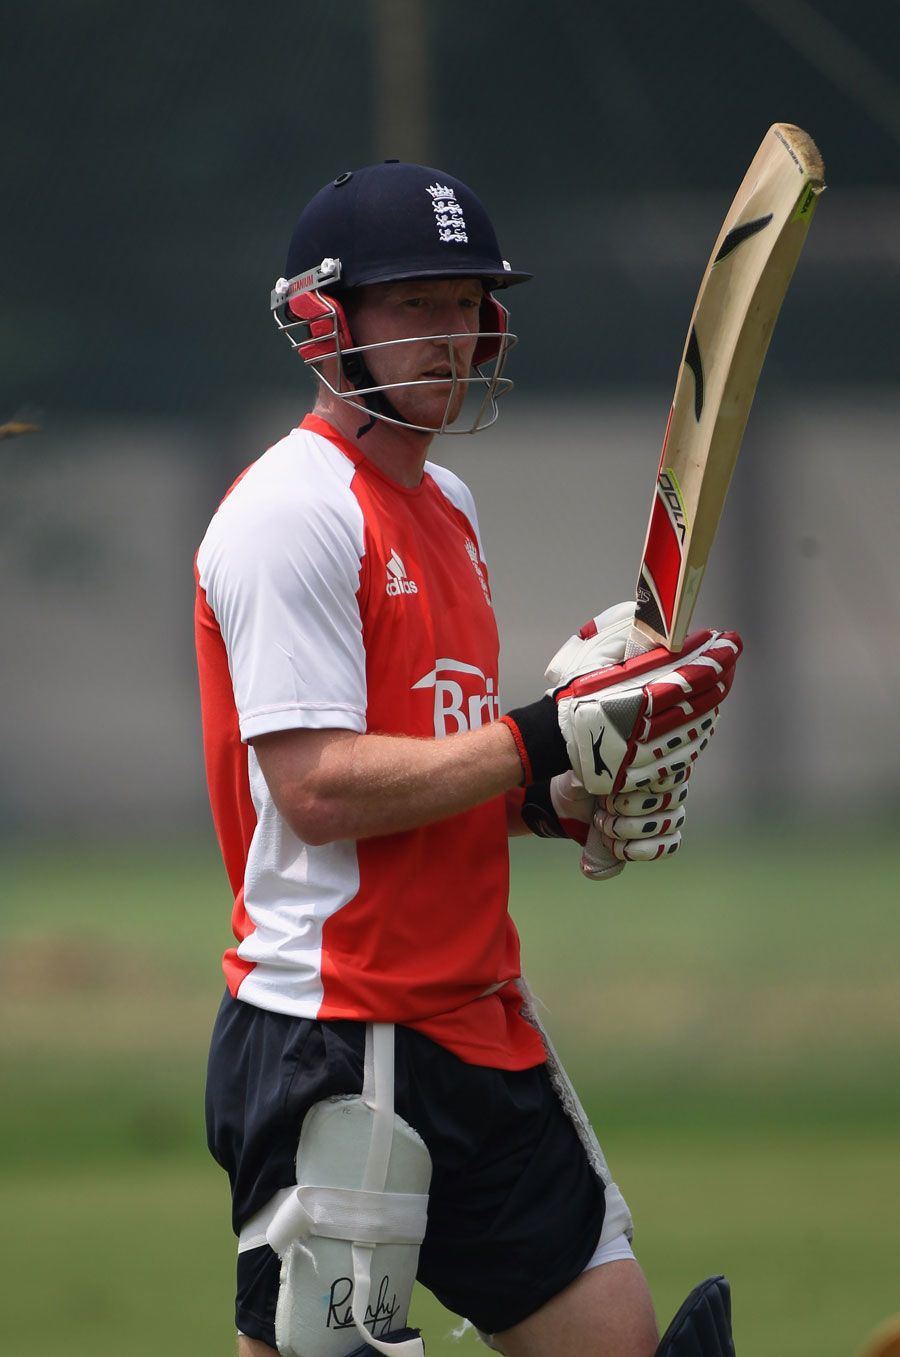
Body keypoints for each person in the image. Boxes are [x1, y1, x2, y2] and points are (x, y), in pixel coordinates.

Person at [195, 161, 741, 1357]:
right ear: (327, 324)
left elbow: (434, 763)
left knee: (621, 1338)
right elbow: (319, 789)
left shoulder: (448, 505)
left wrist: (548, 797)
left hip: (478, 1018)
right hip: (335, 1034)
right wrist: (537, 733)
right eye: (413, 306)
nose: (450, 335)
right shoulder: (289, 510)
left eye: (464, 303)